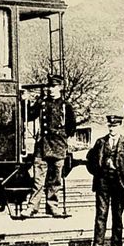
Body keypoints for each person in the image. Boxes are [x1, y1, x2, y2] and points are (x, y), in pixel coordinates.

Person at [21, 74, 76, 218]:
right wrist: (25, 102)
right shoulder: (42, 103)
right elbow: (30, 115)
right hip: (42, 147)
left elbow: (71, 126)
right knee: (38, 180)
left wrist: (63, 138)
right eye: (50, 86)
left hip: (58, 146)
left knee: (55, 180)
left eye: (54, 86)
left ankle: (53, 207)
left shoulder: (66, 106)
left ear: (60, 88)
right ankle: (32, 208)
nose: (51, 89)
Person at [86, 115, 124, 246]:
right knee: (101, 213)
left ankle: (116, 243)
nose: (112, 129)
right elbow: (90, 161)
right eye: (110, 126)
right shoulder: (100, 142)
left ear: (120, 126)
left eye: (115, 126)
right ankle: (98, 244)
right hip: (103, 182)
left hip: (119, 184)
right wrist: (99, 170)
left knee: (117, 214)